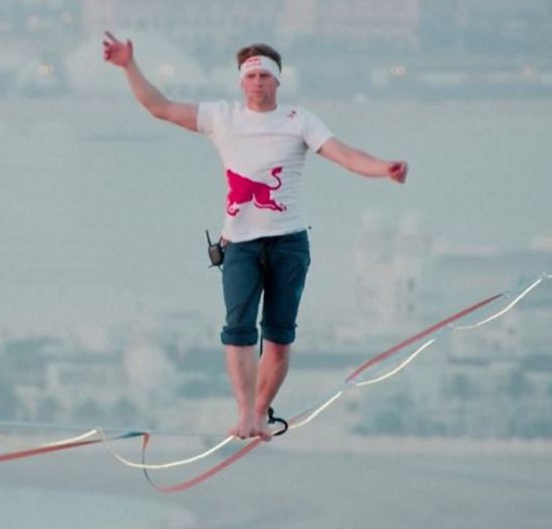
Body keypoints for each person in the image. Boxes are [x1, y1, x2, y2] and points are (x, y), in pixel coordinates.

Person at [102, 32, 408, 441]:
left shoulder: (300, 121)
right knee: (238, 330)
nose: (258, 82)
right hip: (240, 245)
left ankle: (261, 412)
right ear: (241, 82)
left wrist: (384, 168)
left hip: (289, 244)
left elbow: (348, 156)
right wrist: (128, 65)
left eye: (265, 76)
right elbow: (160, 107)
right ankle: (245, 413)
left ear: (277, 81)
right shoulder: (221, 117)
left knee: (279, 340)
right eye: (250, 76)